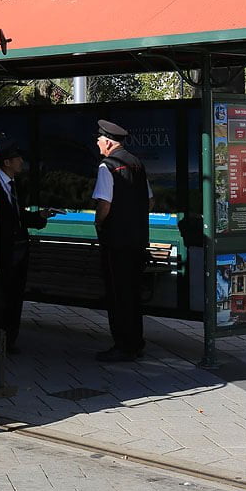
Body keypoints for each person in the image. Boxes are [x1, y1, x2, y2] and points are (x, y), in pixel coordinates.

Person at [92, 119, 152, 363]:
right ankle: (136, 343)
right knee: (133, 293)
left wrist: (99, 223)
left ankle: (122, 345)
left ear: (107, 142)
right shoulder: (137, 164)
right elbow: (150, 201)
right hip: (137, 240)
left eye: (98, 139)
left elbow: (104, 204)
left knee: (118, 295)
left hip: (116, 242)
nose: (96, 142)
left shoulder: (107, 166)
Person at [0, 142, 46, 351]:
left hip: (18, 251)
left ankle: (9, 339)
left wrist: (39, 218)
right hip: (0, 251)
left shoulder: (15, 185)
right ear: (6, 162)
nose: (21, 162)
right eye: (17, 159)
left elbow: (18, 216)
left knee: (14, 296)